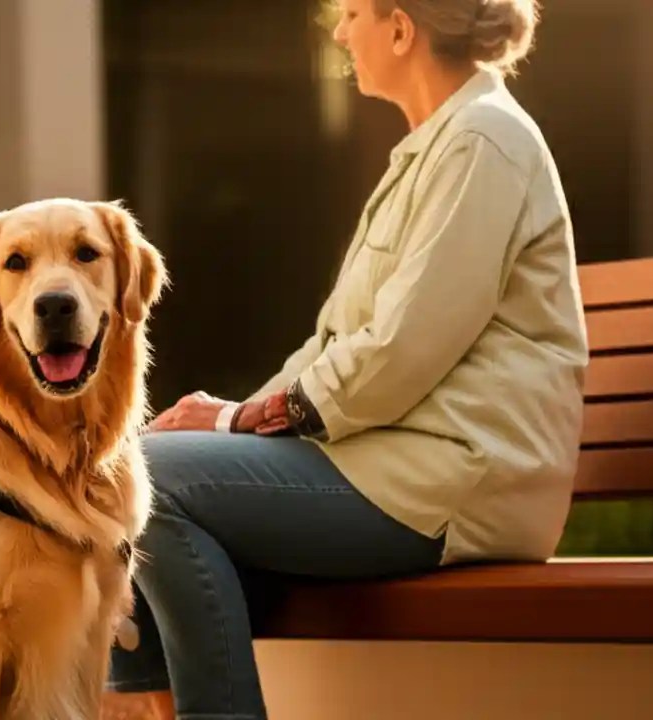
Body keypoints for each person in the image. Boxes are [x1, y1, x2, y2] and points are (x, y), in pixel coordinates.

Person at [102, 0, 588, 718]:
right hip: (389, 466)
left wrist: (235, 420)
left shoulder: (484, 143)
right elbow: (334, 344)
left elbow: (401, 351)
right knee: (130, 469)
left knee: (148, 481)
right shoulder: (435, 147)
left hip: (453, 480)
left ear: (400, 28)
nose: (338, 32)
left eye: (353, 12)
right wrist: (216, 423)